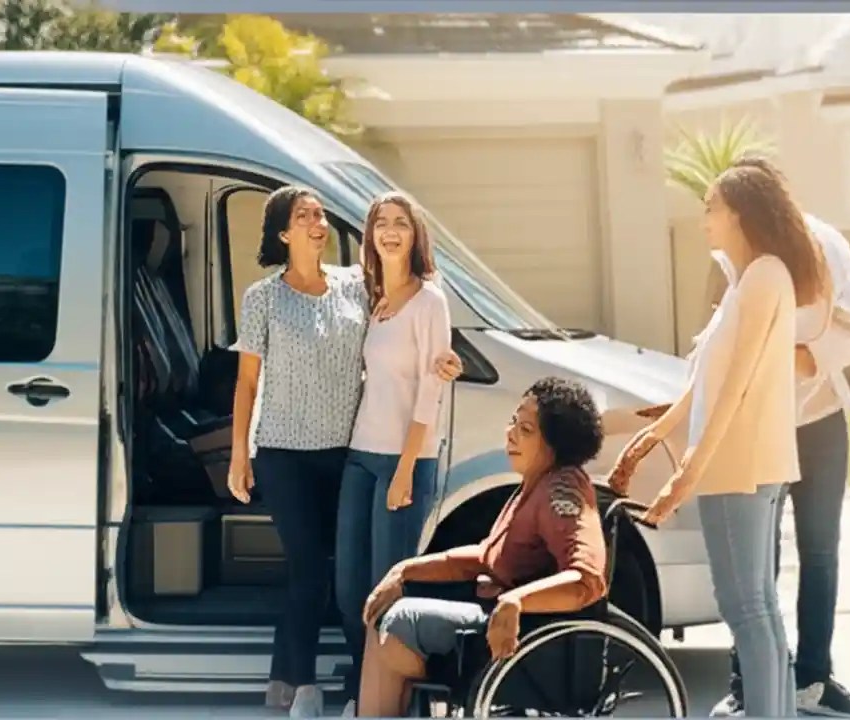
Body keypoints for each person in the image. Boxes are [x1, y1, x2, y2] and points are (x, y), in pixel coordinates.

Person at [226, 185, 462, 718]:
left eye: (320, 213)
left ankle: (367, 689)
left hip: (344, 450)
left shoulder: (356, 288)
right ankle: (303, 685)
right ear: (283, 233)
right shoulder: (262, 297)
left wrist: (450, 364)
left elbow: (422, 330)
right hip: (284, 451)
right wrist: (240, 454)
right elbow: (246, 383)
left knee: (352, 578)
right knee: (313, 568)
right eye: (303, 215)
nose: (317, 221)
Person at [608, 163, 829, 717]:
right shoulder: (750, 279)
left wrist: (686, 473)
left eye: (712, 207)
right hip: (742, 462)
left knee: (746, 608)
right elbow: (703, 381)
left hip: (741, 464)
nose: (704, 217)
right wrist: (651, 436)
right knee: (758, 609)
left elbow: (736, 387)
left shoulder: (762, 278)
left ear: (740, 213)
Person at [705, 156, 850, 718]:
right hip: (758, 425)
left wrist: (785, 359)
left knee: (820, 549)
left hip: (817, 420)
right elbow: (722, 341)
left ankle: (815, 680)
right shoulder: (732, 256)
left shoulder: (823, 244)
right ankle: (748, 685)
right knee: (758, 561)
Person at [354, 376, 609, 718]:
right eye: (513, 422)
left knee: (397, 621)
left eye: (527, 429)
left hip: (522, 640)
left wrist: (516, 601)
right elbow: (485, 556)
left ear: (555, 443)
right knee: (387, 610)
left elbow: (587, 579)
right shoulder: (535, 486)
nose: (511, 433)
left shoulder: (561, 493)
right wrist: (404, 570)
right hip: (496, 621)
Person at [334, 192, 453, 715]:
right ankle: (368, 689)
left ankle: (395, 704)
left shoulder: (430, 301)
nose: (390, 231)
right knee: (348, 587)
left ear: (415, 234)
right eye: (381, 223)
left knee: (388, 590)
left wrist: (406, 468)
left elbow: (432, 385)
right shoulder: (372, 297)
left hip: (405, 461)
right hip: (360, 455)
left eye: (400, 223)